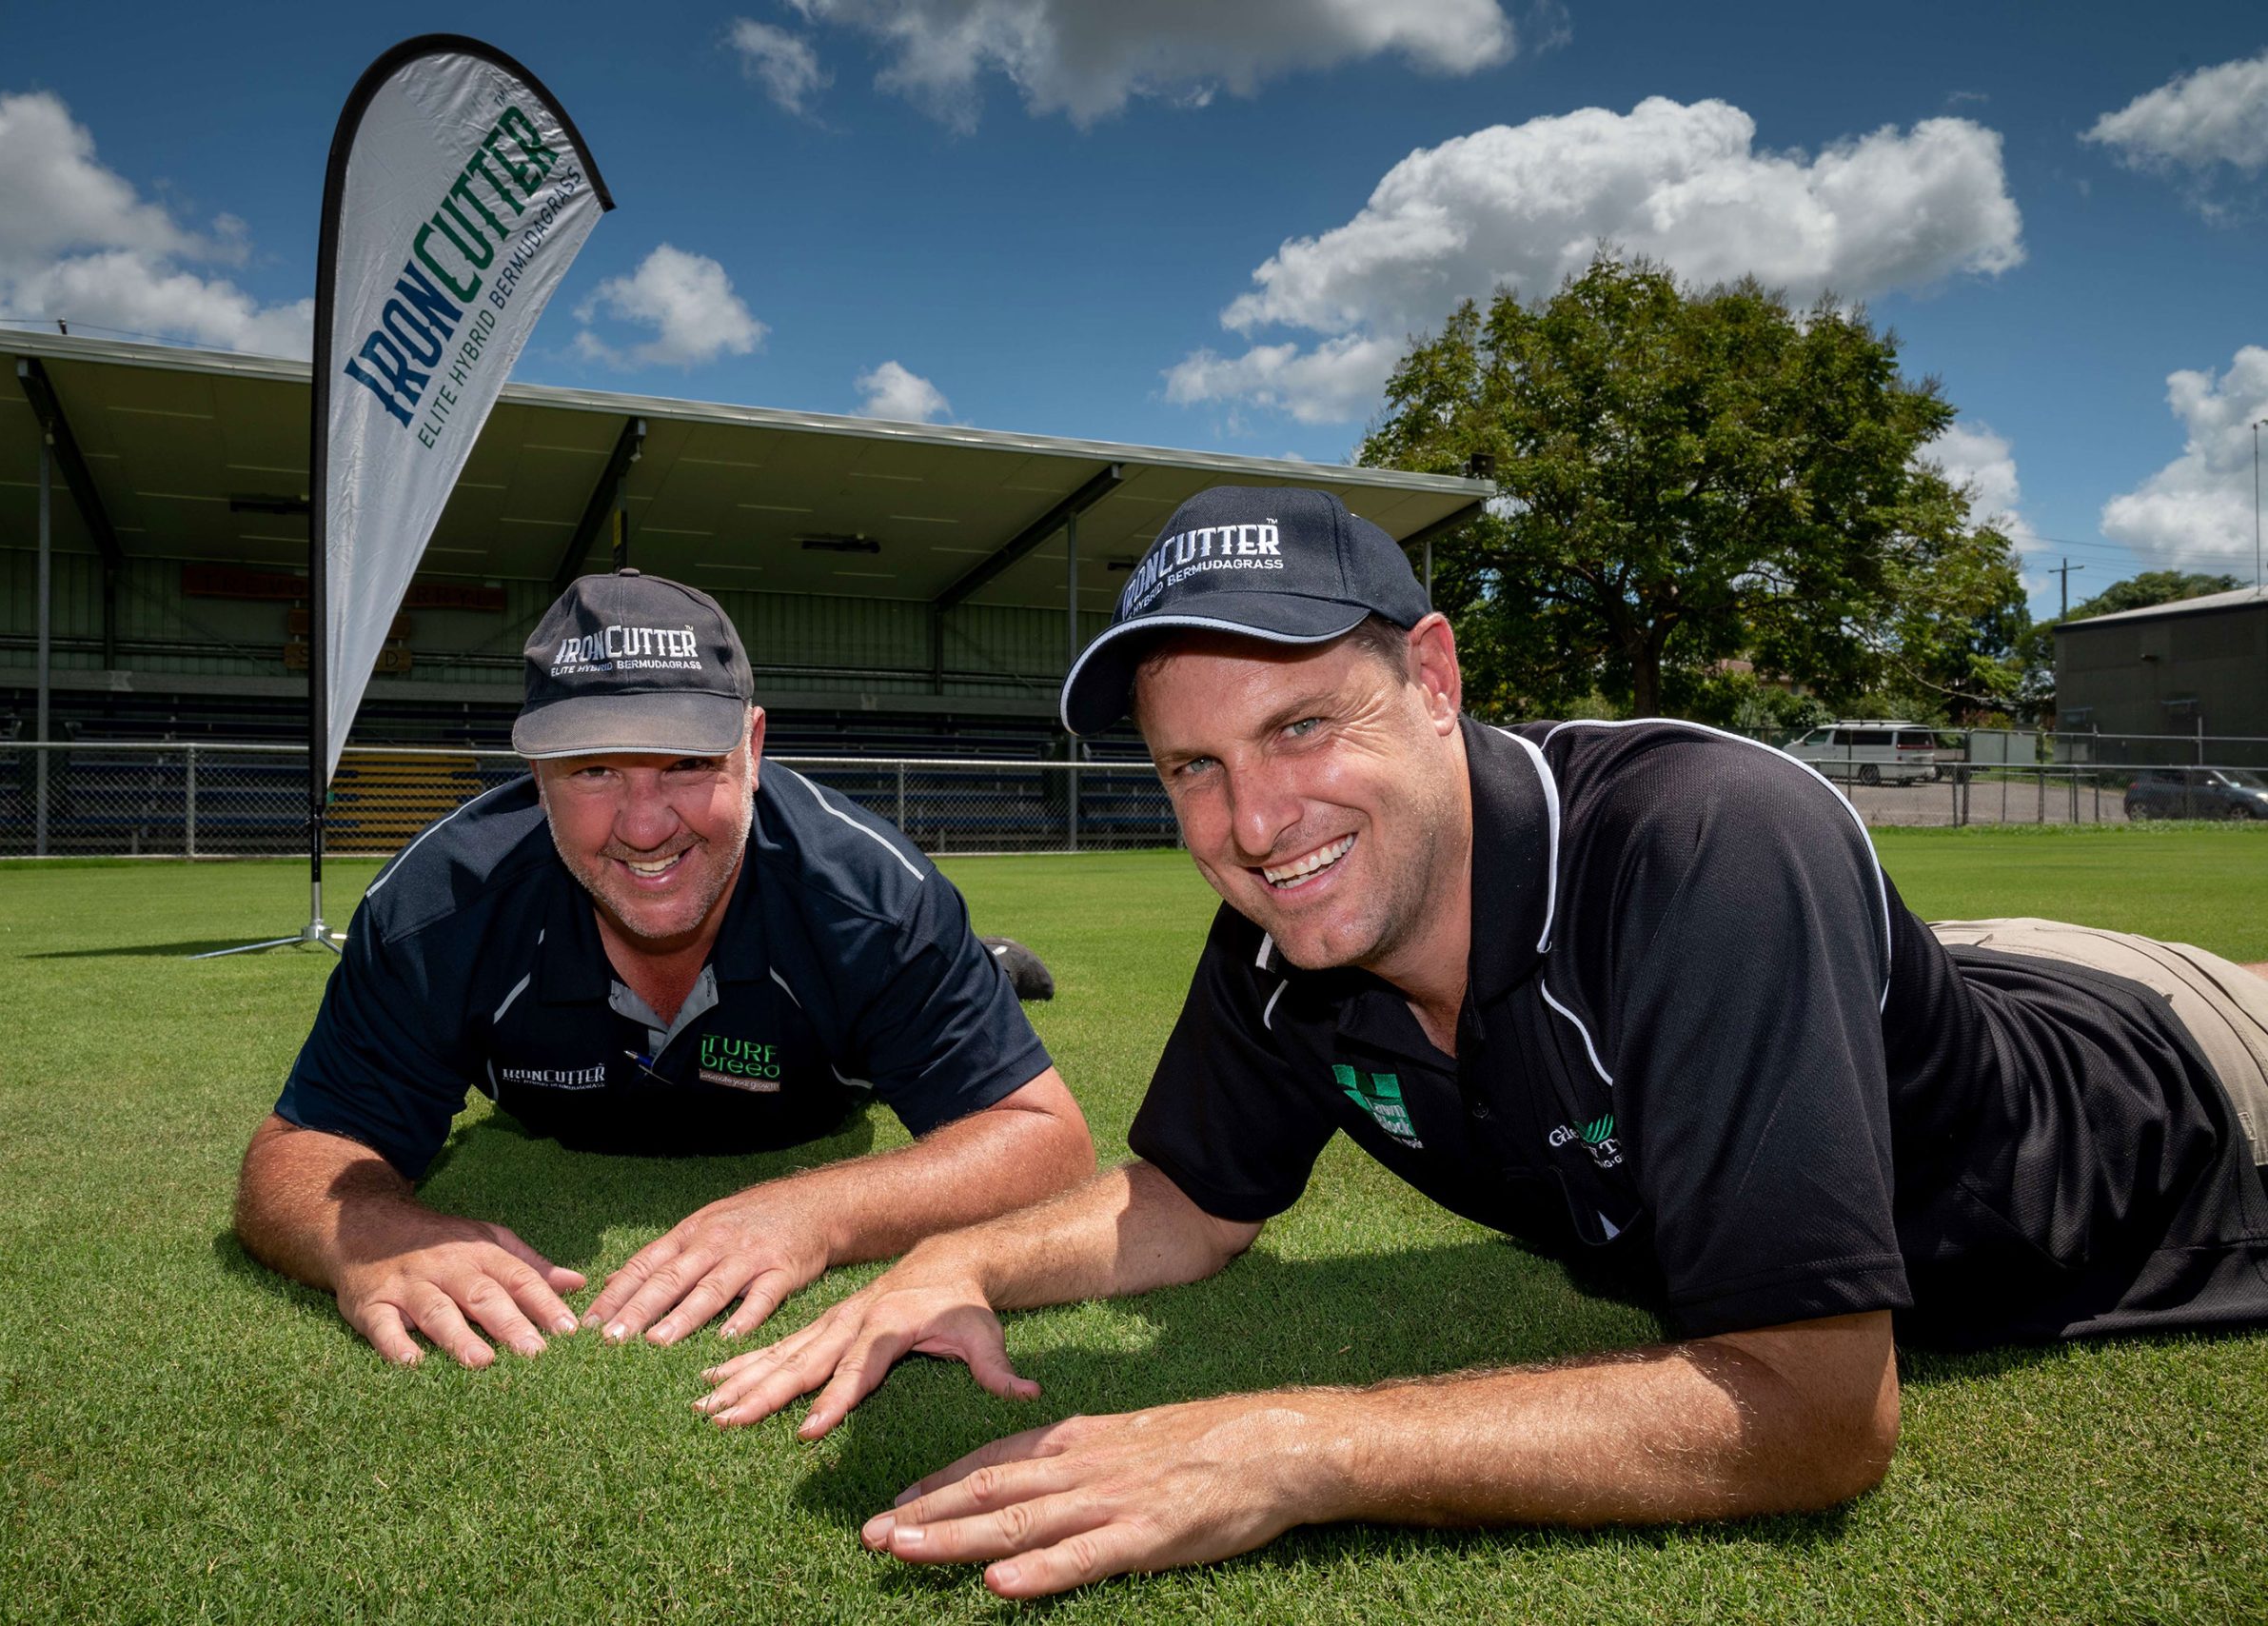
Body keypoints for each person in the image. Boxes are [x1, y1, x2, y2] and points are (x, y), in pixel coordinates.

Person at [695, 486, 2268, 1599]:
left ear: (1433, 678)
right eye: (1196, 765)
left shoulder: (1707, 841)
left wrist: (1299, 1441)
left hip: (2190, 1071)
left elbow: (1817, 1412)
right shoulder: (1281, 929)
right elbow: (1182, 1202)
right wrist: (961, 1260)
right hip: (1921, 985)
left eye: (1304, 724)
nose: (1251, 821)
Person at [234, 570, 1095, 1369]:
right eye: (594, 769)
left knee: (923, 985)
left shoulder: (872, 898)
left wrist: (813, 1212)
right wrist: (375, 1232)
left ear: (752, 748)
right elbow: (298, 1151)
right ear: (537, 774)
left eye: (688, 762)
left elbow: (1046, 1137)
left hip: (834, 1086)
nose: (644, 826)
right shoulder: (435, 912)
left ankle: (983, 967)